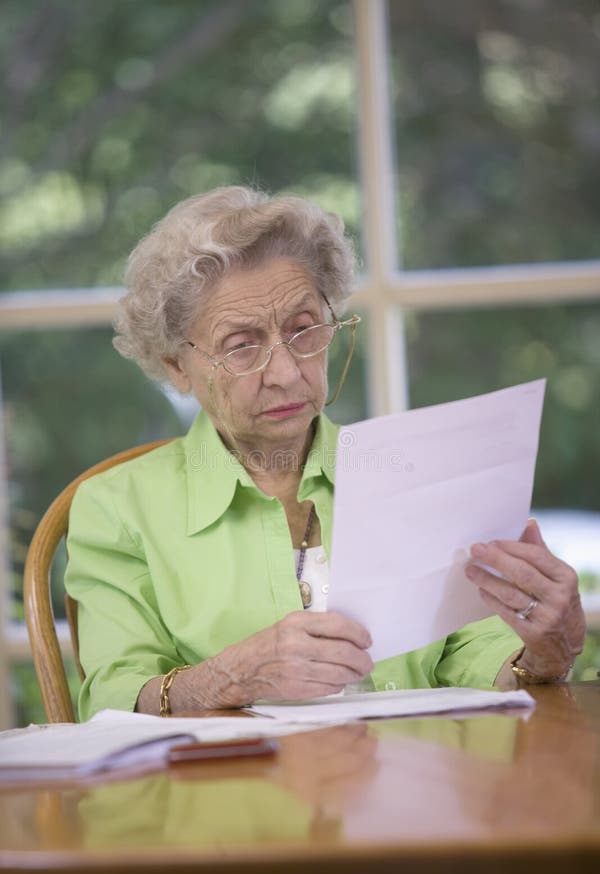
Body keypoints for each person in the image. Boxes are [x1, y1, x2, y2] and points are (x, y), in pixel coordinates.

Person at [65, 186, 585, 721]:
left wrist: (545, 652)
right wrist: (228, 677)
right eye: (242, 345)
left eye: (304, 330)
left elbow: (483, 664)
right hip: (233, 801)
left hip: (419, 784)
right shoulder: (118, 508)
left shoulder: (418, 474)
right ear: (176, 365)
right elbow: (112, 697)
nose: (287, 374)